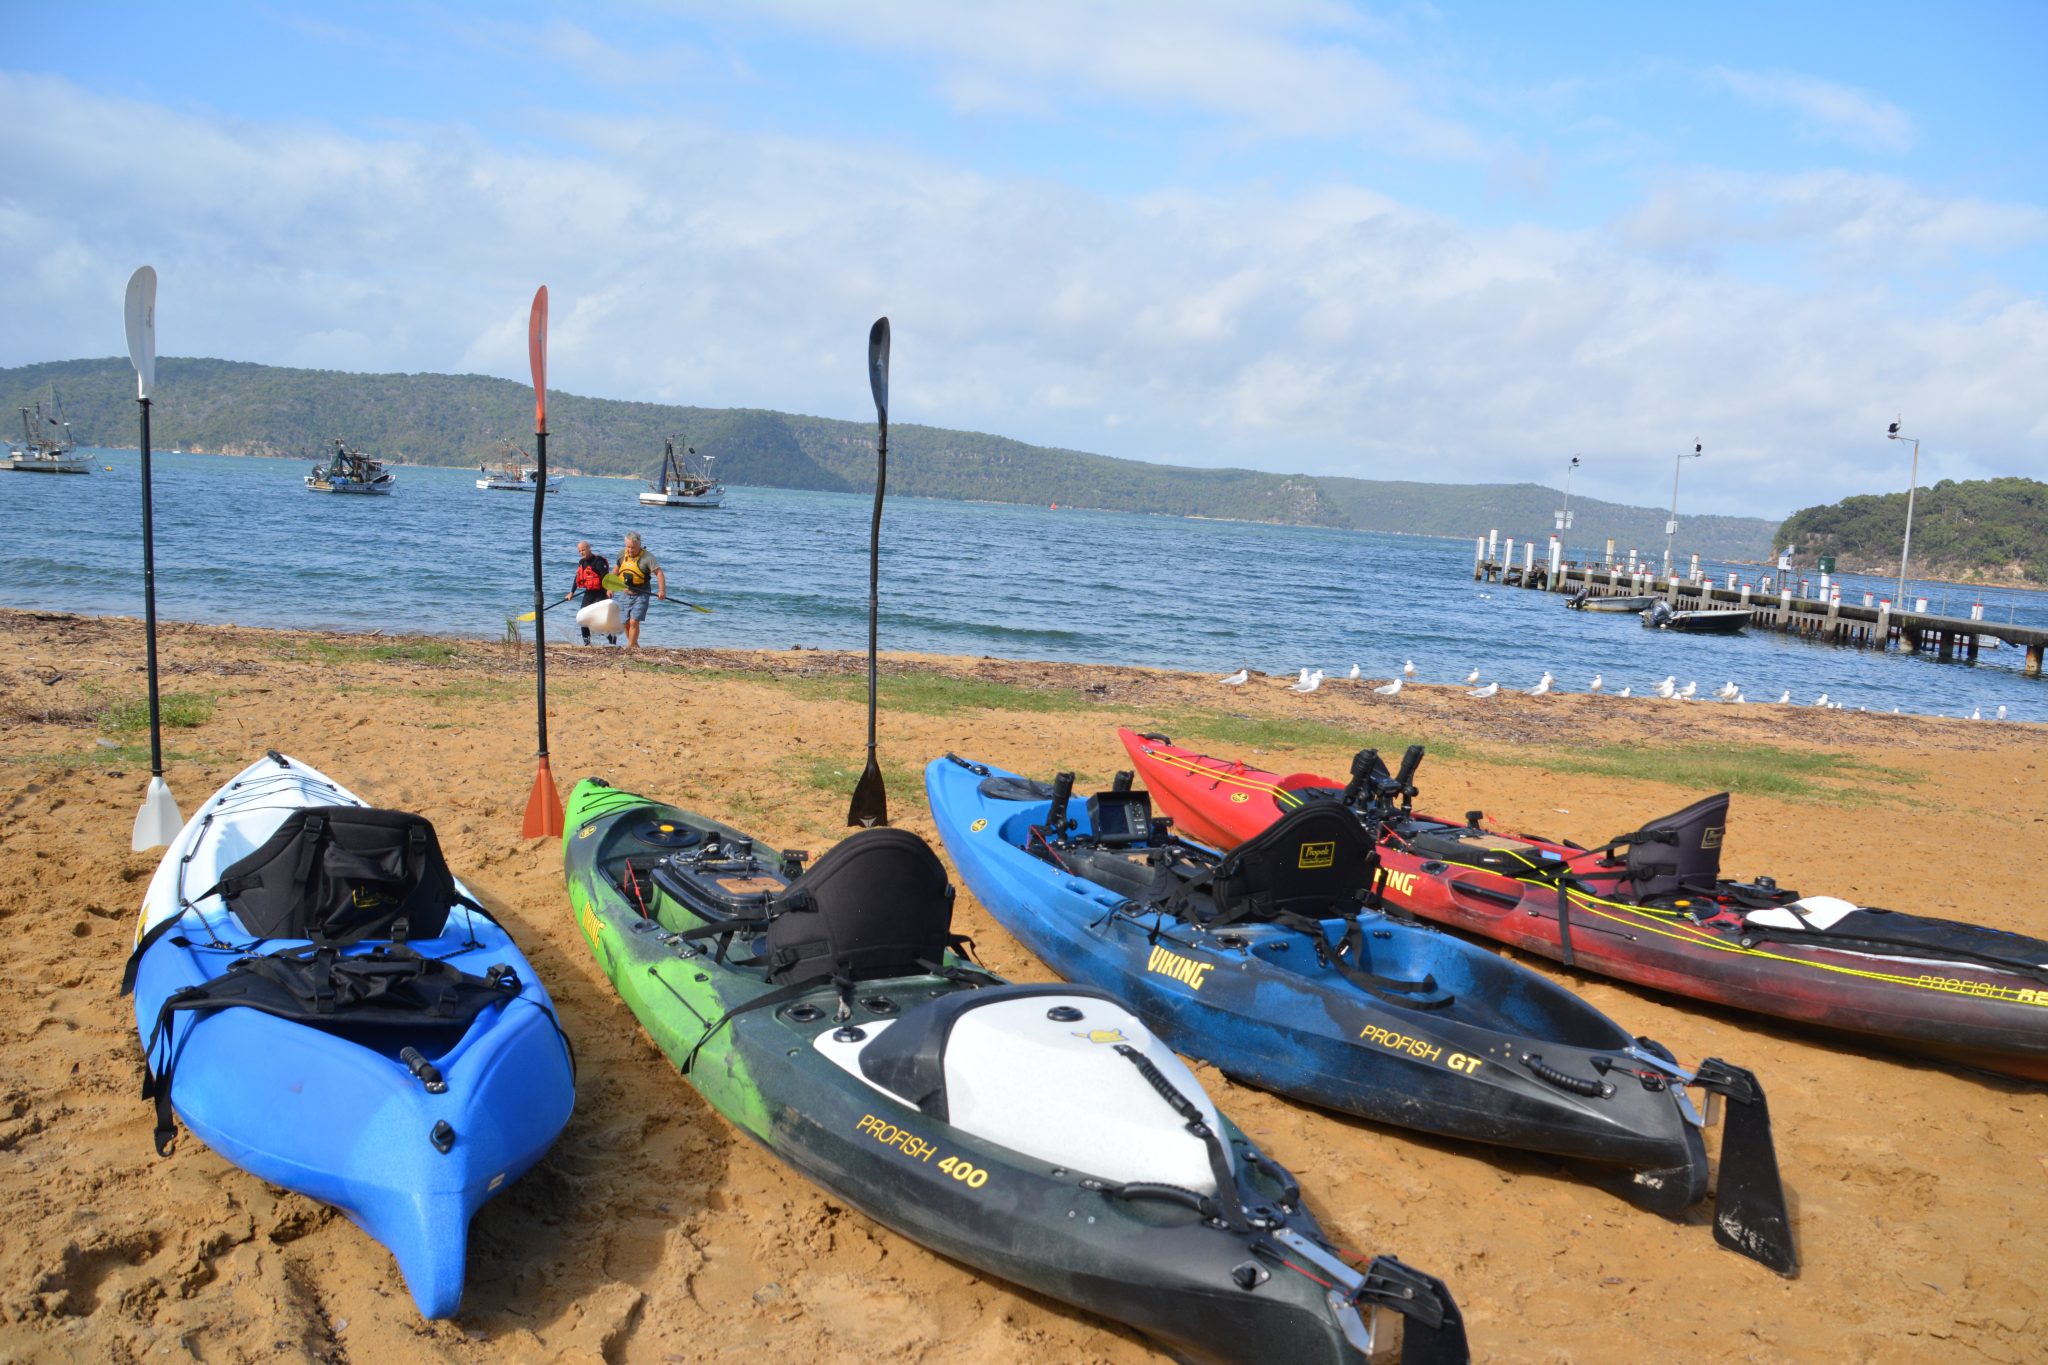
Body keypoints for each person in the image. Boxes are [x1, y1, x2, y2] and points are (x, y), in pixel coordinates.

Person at [614, 532, 666, 649]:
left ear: (639, 545)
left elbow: (659, 573)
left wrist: (661, 591)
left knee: (634, 621)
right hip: (625, 592)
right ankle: (634, 645)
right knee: (625, 622)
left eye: (633, 547)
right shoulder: (622, 554)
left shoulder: (648, 558)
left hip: (642, 593)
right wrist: (610, 587)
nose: (630, 550)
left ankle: (630, 646)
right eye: (628, 547)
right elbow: (616, 570)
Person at [566, 540, 614, 645]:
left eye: (583, 550)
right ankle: (587, 644)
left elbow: (607, 578)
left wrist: (610, 590)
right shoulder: (581, 562)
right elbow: (577, 577)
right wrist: (572, 592)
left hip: (601, 593)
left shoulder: (599, 561)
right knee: (583, 617)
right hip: (589, 593)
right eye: (579, 551)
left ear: (589, 548)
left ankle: (611, 639)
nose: (581, 552)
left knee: (598, 620)